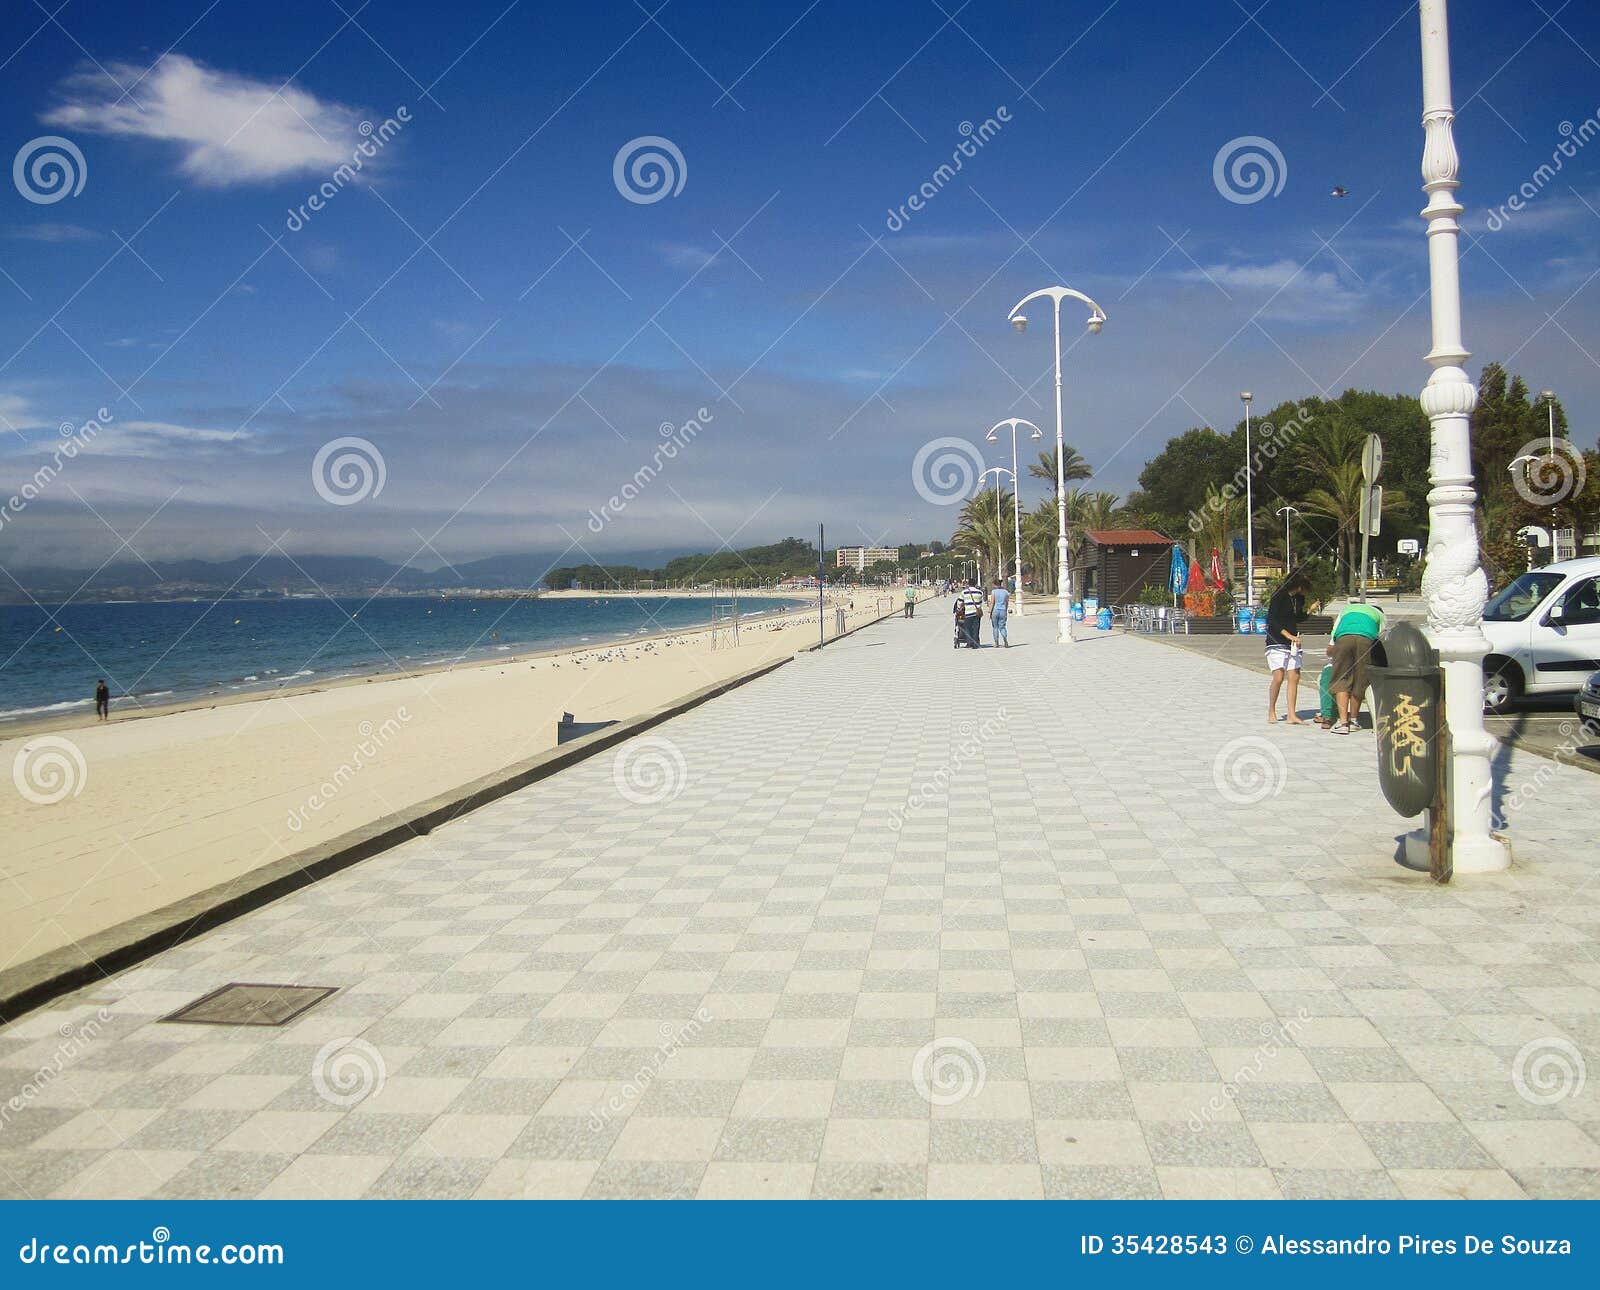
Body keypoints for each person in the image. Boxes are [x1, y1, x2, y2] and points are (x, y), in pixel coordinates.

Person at [1328, 600, 1385, 733]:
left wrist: (1335, 655)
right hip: (1366, 640)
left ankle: (1343, 723)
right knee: (1361, 680)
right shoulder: (1379, 613)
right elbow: (1382, 636)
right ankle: (1353, 721)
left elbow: (1331, 644)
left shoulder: (1345, 611)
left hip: (1343, 638)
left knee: (1341, 678)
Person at [1264, 572, 1311, 724]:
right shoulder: (1279, 595)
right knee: (1278, 677)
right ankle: (1272, 710)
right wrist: (1289, 635)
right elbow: (1272, 620)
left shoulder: (1298, 599)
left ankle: (1291, 714)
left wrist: (1310, 610)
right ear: (1299, 586)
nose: (1307, 592)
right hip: (1276, 640)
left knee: (1294, 677)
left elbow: (1297, 618)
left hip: (1293, 643)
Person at [960, 577, 984, 648]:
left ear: (968, 584)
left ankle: (970, 642)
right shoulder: (980, 592)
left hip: (968, 613)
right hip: (977, 613)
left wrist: (960, 609)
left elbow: (960, 602)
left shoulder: (964, 592)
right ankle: (975, 643)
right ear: (975, 584)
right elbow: (980, 602)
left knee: (968, 628)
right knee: (976, 628)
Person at [987, 578, 1010, 648]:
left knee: (995, 627)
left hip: (995, 610)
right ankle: (1005, 639)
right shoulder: (1006, 592)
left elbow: (992, 602)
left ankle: (996, 642)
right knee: (1002, 627)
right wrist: (1005, 611)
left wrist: (990, 611)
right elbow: (1006, 603)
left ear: (995, 584)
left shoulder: (993, 592)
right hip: (1003, 610)